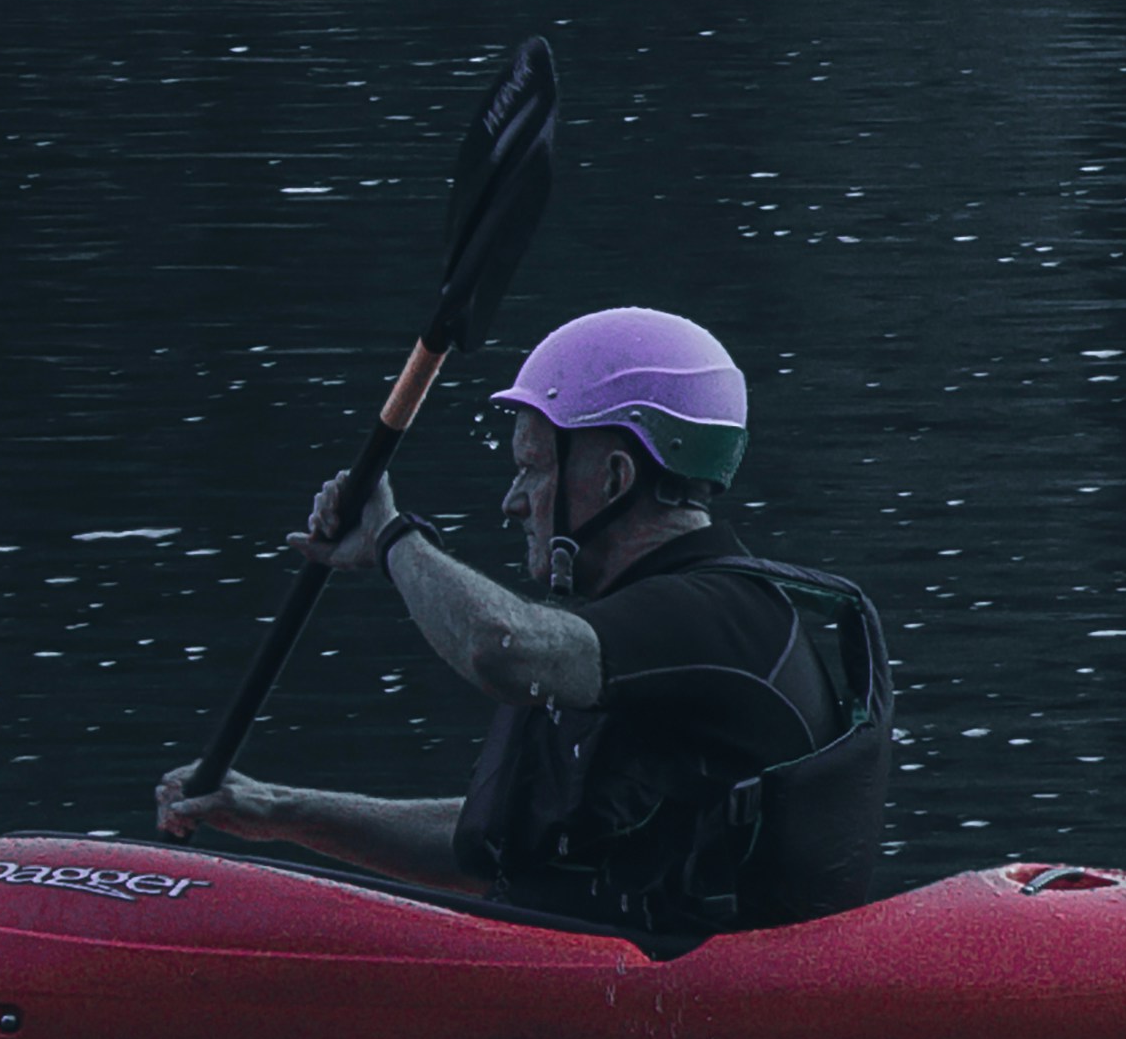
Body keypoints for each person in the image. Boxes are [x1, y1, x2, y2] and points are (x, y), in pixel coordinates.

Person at [152, 304, 891, 936]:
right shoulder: (642, 631)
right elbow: (491, 850)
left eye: (533, 468)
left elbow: (501, 649)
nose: (512, 502)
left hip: (695, 1000)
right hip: (611, 982)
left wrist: (392, 540)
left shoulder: (717, 619)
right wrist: (280, 811)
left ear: (614, 477)